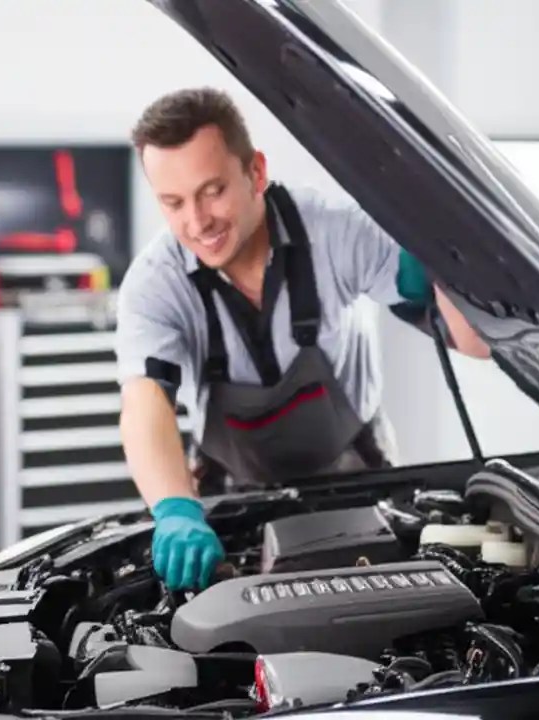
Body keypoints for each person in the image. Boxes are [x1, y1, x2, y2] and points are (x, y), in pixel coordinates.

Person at [115, 87, 491, 592]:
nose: (197, 221)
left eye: (212, 191)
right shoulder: (155, 282)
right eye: (174, 203)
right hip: (231, 490)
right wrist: (176, 510)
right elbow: (145, 404)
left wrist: (443, 253)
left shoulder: (337, 232)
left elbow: (473, 342)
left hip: (358, 474)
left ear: (256, 173)